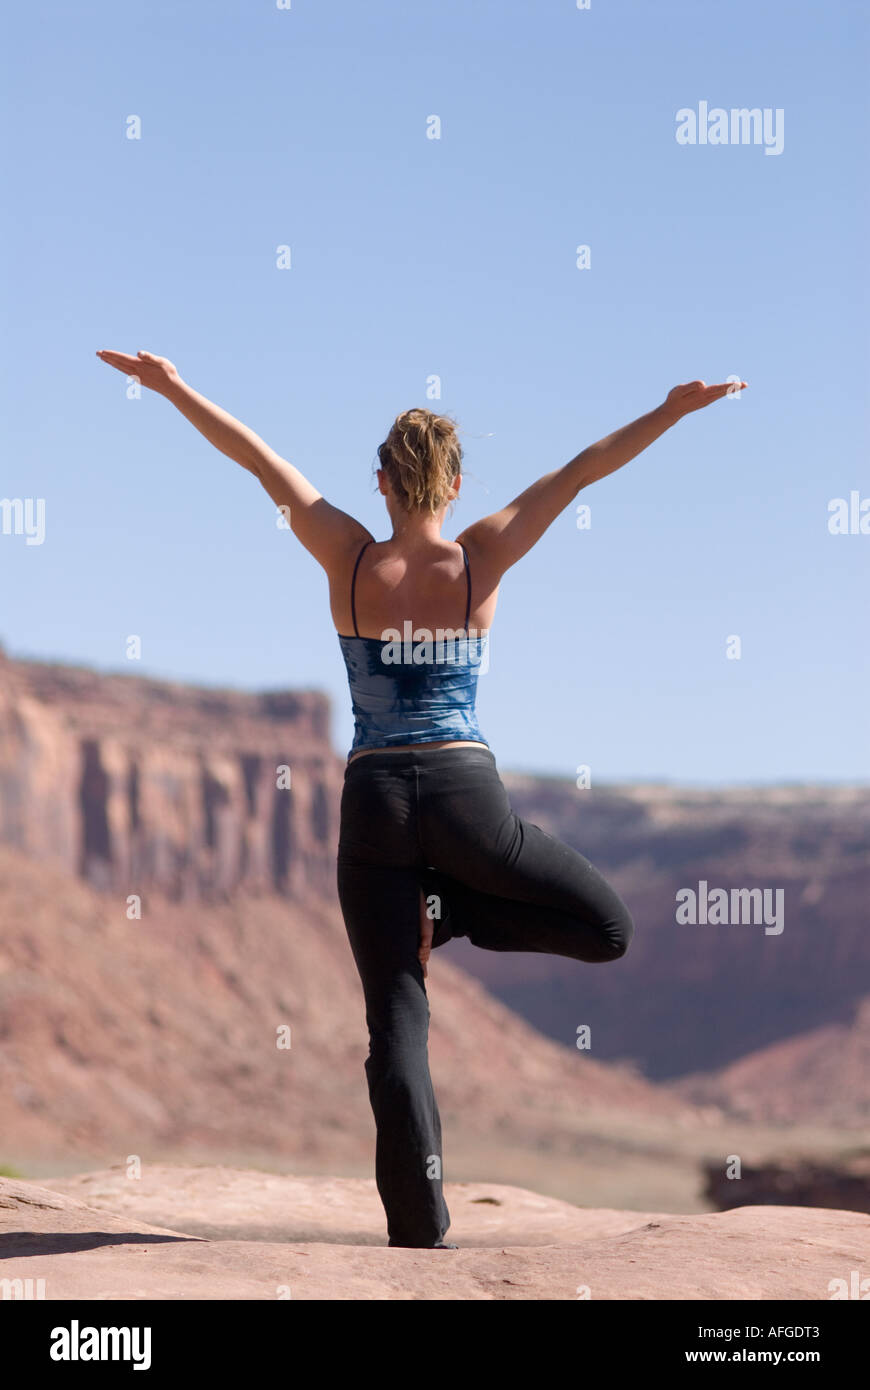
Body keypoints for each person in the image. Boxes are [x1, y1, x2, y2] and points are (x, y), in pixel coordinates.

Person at [96, 347, 746, 1248]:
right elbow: (584, 469)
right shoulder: (481, 554)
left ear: (382, 481)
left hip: (372, 805)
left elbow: (252, 456)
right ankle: (461, 913)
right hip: (464, 794)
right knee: (606, 929)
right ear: (454, 481)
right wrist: (672, 410)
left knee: (395, 1019)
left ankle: (417, 1225)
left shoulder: (346, 555)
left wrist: (169, 388)